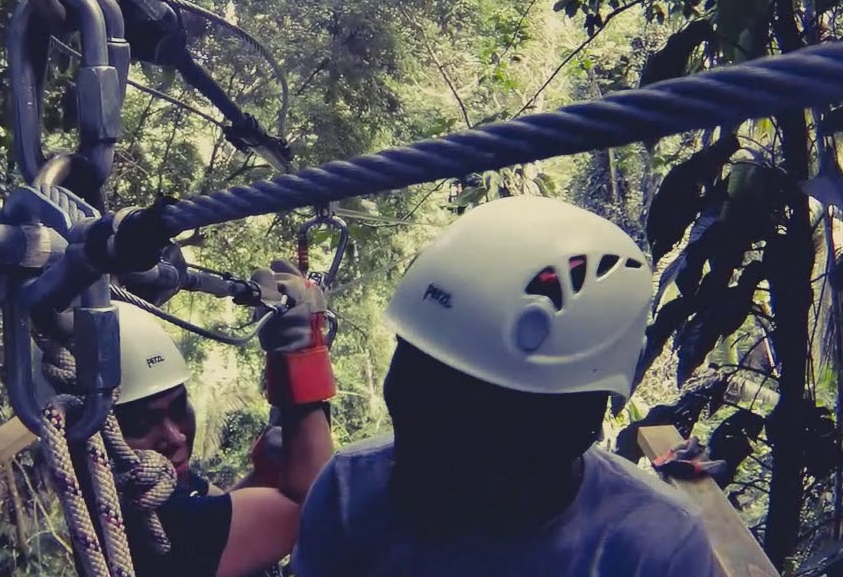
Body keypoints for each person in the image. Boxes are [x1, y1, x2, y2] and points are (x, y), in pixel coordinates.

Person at [292, 196, 722, 577]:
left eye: (469, 427)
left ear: (576, 426)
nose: (419, 460)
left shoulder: (653, 550)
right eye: (417, 392)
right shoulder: (350, 490)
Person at [112, 261, 335, 577]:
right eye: (139, 425)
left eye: (178, 409)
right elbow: (314, 506)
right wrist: (301, 350)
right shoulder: (154, 521)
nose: (175, 437)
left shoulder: (164, 492)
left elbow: (222, 512)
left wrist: (269, 473)